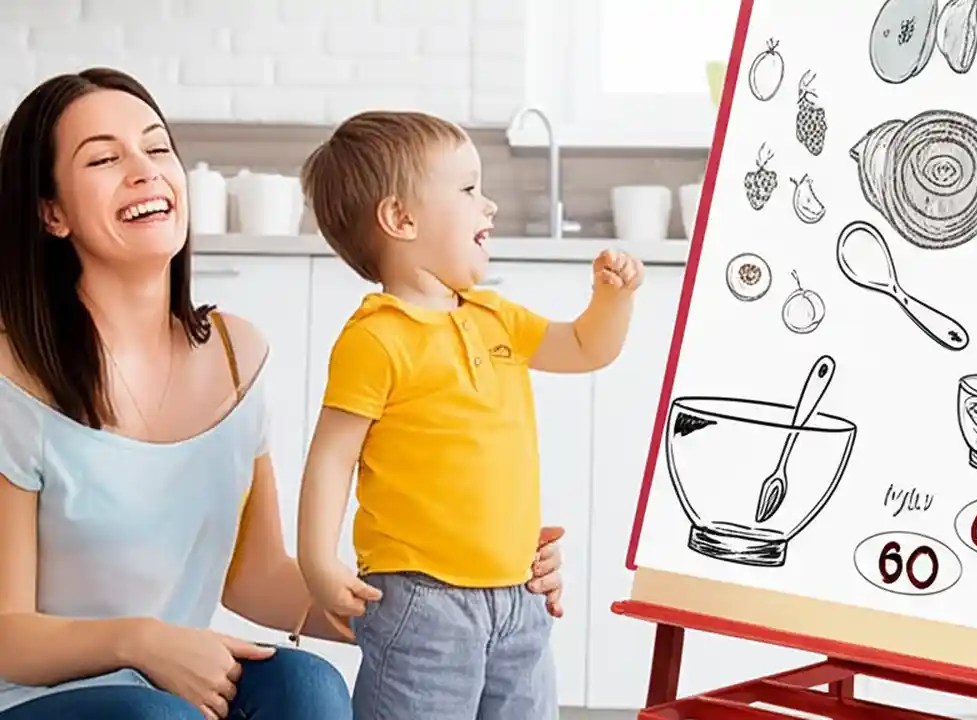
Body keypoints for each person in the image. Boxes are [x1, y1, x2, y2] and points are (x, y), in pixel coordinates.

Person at [0, 69, 567, 720]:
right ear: (51, 212)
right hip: (38, 699)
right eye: (104, 158)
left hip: (177, 686)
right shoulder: (13, 377)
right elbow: (6, 635)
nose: (144, 170)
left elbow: (258, 576)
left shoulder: (234, 355)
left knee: (309, 688)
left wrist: (460, 597)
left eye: (157, 148)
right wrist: (142, 641)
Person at [295, 110, 642, 720]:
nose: (490, 207)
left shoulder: (496, 316)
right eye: (468, 189)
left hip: (519, 595)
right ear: (401, 219)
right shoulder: (376, 339)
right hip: (421, 602)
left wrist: (611, 299)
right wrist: (317, 562)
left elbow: (588, 348)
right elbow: (331, 458)